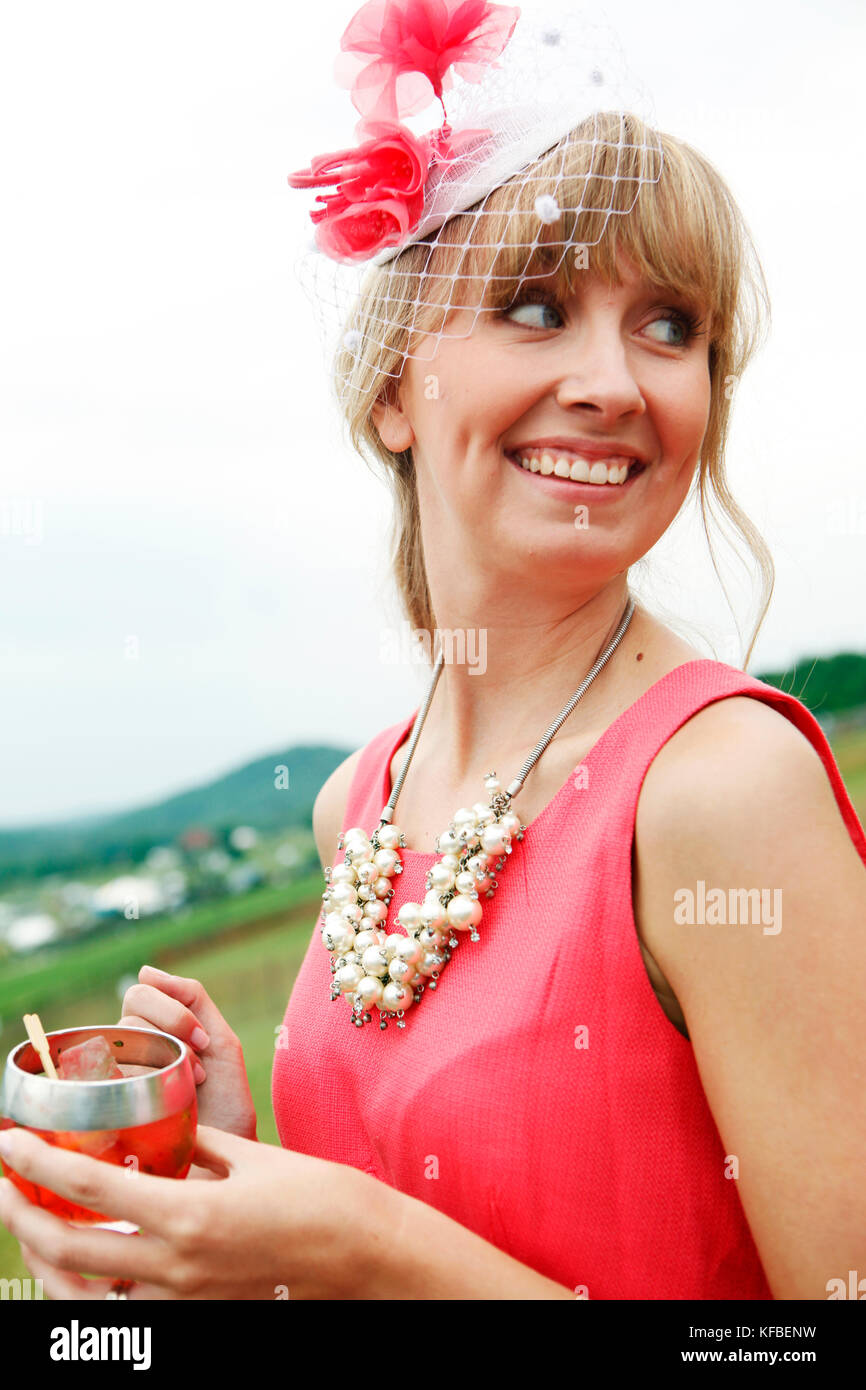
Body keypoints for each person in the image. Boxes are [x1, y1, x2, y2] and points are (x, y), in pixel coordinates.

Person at [1, 4, 865, 1302]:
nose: (613, 381)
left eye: (669, 324)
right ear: (394, 389)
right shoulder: (361, 800)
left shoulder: (720, 791)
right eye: (536, 307)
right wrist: (245, 1190)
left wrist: (359, 1250)